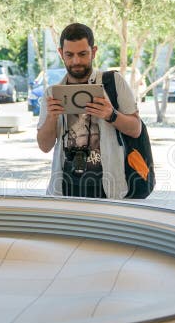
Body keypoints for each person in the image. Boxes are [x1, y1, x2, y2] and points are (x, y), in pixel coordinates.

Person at [37, 23, 142, 198]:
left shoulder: (114, 83)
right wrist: (51, 118)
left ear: (93, 52)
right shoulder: (52, 93)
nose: (76, 61)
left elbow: (136, 129)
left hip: (108, 188)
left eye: (82, 54)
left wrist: (111, 114)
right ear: (60, 53)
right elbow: (44, 146)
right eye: (69, 55)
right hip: (65, 188)